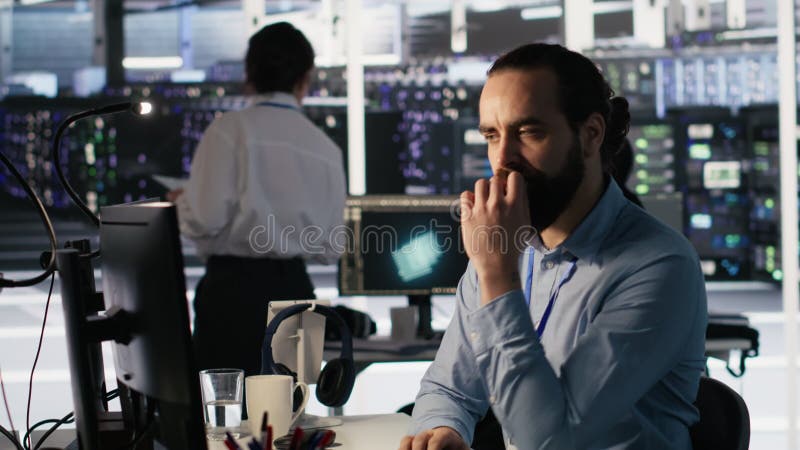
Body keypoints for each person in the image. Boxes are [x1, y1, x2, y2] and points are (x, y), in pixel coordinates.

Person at [400, 43, 707, 450]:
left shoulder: (658, 265)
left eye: (529, 132)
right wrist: (445, 430)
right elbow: (449, 388)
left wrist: (497, 277)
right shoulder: (507, 249)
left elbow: (549, 440)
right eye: (492, 135)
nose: (503, 159)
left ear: (590, 135)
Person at [168, 22, 346, 377]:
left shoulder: (227, 131)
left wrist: (182, 203)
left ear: (249, 74)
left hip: (231, 292)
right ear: (305, 77)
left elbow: (205, 218)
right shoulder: (325, 148)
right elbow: (331, 246)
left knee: (224, 417)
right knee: (288, 419)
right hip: (296, 291)